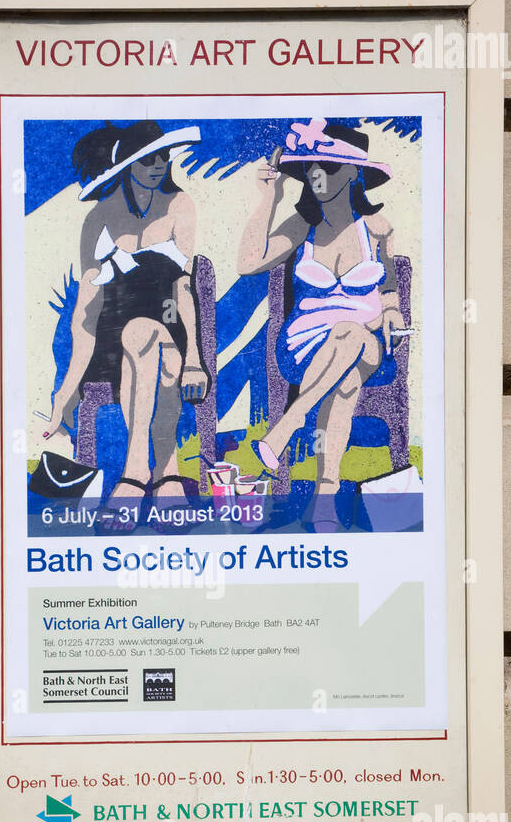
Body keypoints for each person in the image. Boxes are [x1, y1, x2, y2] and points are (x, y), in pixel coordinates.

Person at [238, 120, 404, 529]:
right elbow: (247, 264)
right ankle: (325, 499)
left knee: (349, 335)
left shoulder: (378, 229)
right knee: (344, 380)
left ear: (353, 173)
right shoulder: (301, 225)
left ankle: (287, 427)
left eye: (327, 166)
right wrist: (270, 198)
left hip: (366, 343)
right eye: (310, 167)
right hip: (302, 344)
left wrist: (394, 310)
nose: (315, 175)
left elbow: (390, 286)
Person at [43, 119, 211, 525]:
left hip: (167, 327)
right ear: (128, 164)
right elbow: (86, 313)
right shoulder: (99, 219)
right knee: (139, 333)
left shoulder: (179, 206)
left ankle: (144, 473)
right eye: (147, 159)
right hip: (110, 340)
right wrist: (65, 392)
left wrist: (194, 358)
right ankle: (156, 472)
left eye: (163, 157)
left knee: (162, 350)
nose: (158, 165)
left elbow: (184, 289)